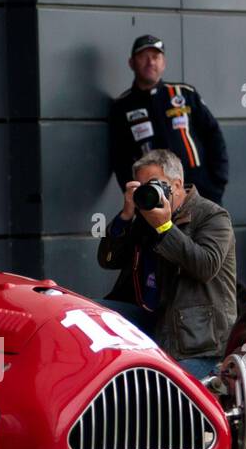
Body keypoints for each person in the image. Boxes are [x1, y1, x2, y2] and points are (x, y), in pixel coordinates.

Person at [96, 148, 237, 379]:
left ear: (178, 185)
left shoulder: (212, 216)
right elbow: (108, 260)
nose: (148, 193)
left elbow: (205, 266)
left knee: (158, 390)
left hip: (196, 338)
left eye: (154, 185)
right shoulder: (144, 218)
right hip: (151, 319)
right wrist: (125, 216)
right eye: (142, 187)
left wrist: (165, 228)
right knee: (86, 315)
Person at [109, 34, 228, 203]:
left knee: (210, 230)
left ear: (163, 63)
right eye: (144, 57)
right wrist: (137, 197)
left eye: (156, 57)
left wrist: (218, 181)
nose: (150, 62)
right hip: (156, 197)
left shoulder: (184, 93)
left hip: (201, 192)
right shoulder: (122, 106)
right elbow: (120, 158)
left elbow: (213, 136)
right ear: (131, 63)